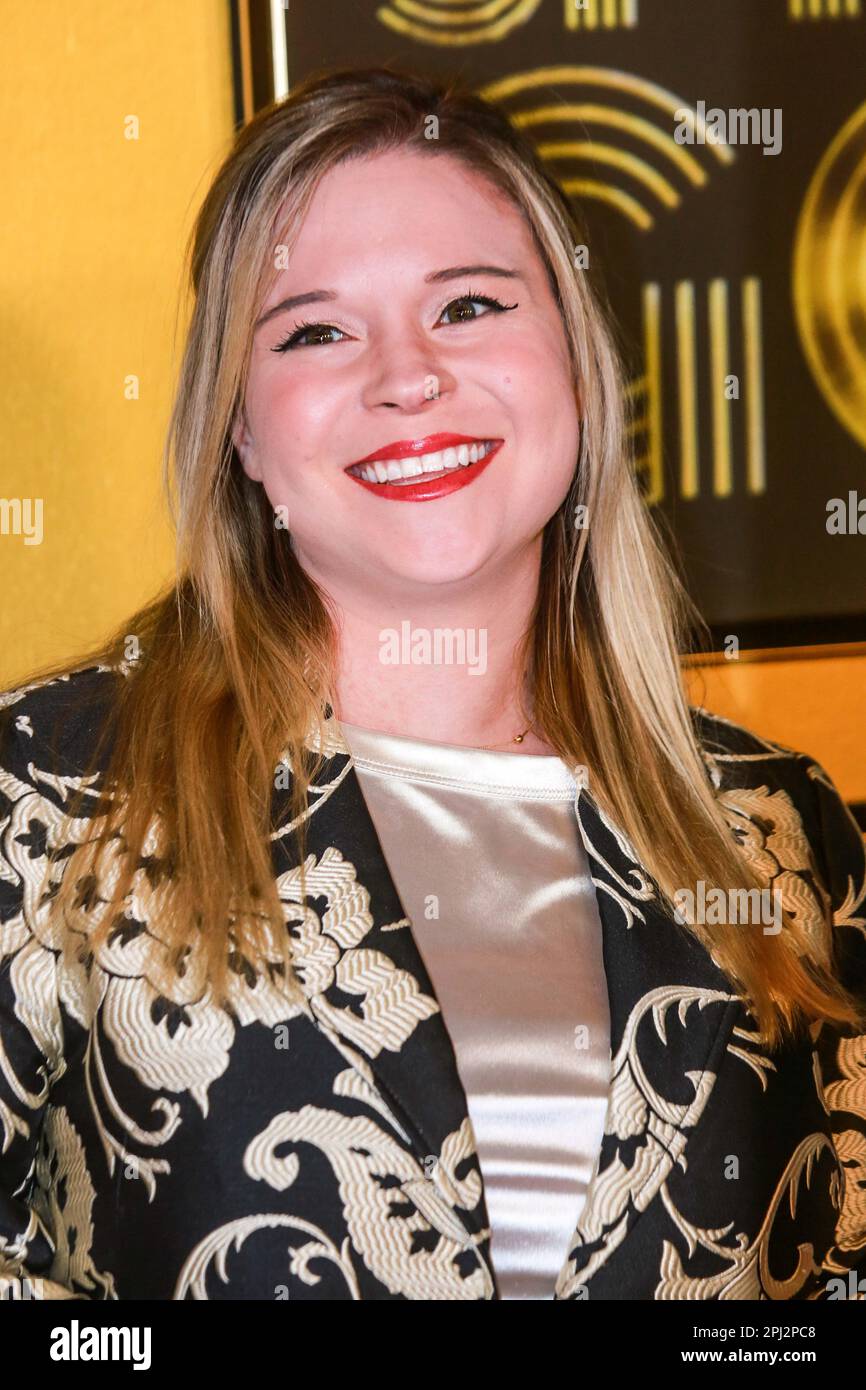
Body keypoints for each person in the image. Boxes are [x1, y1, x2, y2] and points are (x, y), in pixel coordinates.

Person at [1, 65, 864, 1302]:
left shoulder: (780, 829)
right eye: (313, 329)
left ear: (572, 358)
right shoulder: (43, 795)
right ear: (240, 430)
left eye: (466, 306)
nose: (406, 375)